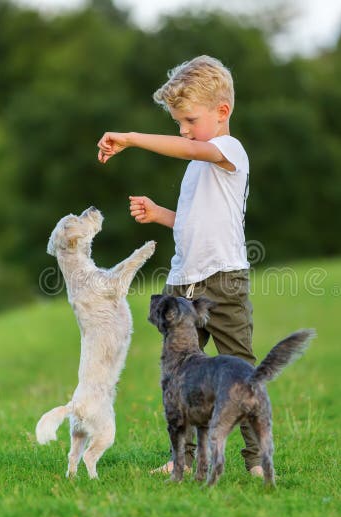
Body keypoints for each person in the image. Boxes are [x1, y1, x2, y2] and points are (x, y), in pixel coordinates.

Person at [96, 55, 263, 477]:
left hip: (222, 281)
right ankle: (182, 459)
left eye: (189, 120)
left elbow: (194, 148)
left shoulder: (228, 151)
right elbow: (195, 222)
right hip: (183, 282)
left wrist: (132, 137)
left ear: (222, 112)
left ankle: (257, 461)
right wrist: (160, 214)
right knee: (178, 377)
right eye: (179, 123)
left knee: (240, 369)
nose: (184, 130)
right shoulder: (196, 169)